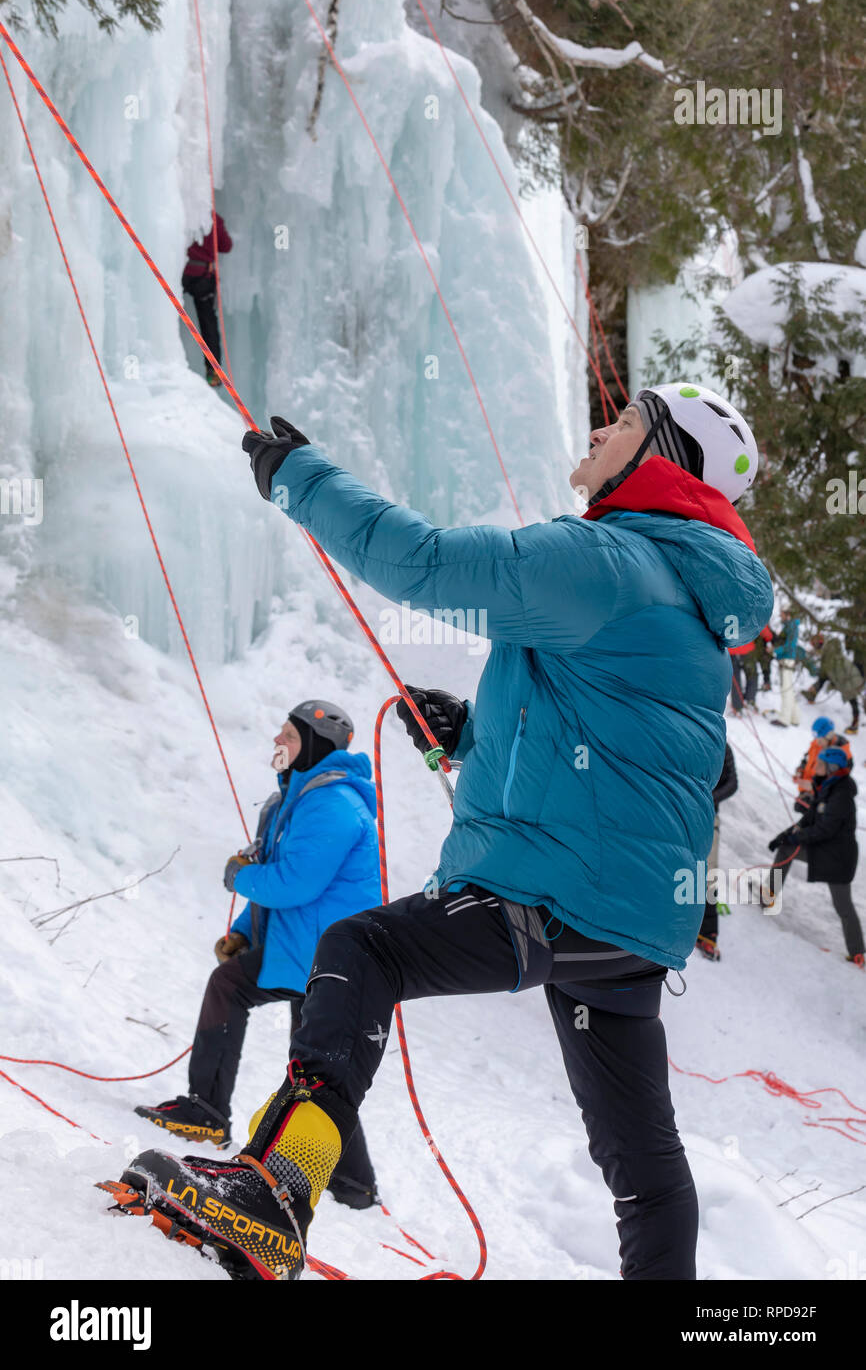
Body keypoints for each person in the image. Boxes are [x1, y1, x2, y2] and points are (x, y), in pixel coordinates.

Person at [122, 380, 773, 1282]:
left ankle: (278, 1190)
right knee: (645, 1167)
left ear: (665, 461)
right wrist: (470, 731)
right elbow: (618, 738)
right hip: (627, 934)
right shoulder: (690, 603)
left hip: (553, 895)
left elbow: (423, 562)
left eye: (625, 422)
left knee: (366, 951)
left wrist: (298, 479)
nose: (599, 425)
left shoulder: (610, 560)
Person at [134, 699, 382, 1210]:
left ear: (314, 744)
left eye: (288, 735)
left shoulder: (332, 805)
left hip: (330, 959)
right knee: (316, 1068)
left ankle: (207, 1112)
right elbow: (279, 883)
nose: (277, 742)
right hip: (307, 951)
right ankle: (353, 1185)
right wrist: (245, 932)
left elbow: (294, 883)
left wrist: (237, 877)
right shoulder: (300, 799)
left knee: (292, 1046)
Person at [766, 747, 864, 963]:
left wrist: (795, 838)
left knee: (843, 906)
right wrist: (783, 837)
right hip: (826, 851)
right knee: (786, 849)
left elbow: (825, 829)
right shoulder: (827, 787)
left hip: (838, 859)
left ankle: (858, 953)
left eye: (820, 764)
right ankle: (768, 896)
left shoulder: (842, 794)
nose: (816, 766)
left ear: (831, 768)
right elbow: (808, 820)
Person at [696, 742, 738, 961]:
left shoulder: (723, 748)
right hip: (686, 815)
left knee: (708, 875)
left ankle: (708, 933)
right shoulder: (692, 738)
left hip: (709, 817)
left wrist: (708, 798)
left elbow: (733, 784)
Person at [182, 214, 232, 386]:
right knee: (208, 321)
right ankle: (213, 370)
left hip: (181, 272)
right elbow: (226, 246)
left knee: (166, 312)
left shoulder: (181, 212)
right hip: (203, 275)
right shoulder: (214, 219)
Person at [803, 634, 864, 735]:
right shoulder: (828, 652)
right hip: (847, 677)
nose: (813, 646)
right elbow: (825, 674)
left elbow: (826, 673)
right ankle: (812, 695)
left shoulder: (828, 652)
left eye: (814, 644)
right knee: (853, 699)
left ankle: (855, 724)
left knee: (853, 699)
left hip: (849, 678)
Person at [770, 607, 801, 727]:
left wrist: (775, 650)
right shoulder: (789, 626)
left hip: (787, 660)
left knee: (786, 690)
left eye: (782, 614)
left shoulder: (792, 626)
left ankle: (785, 719)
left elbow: (790, 645)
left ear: (788, 614)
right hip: (786, 659)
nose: (780, 616)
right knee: (789, 690)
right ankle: (795, 717)